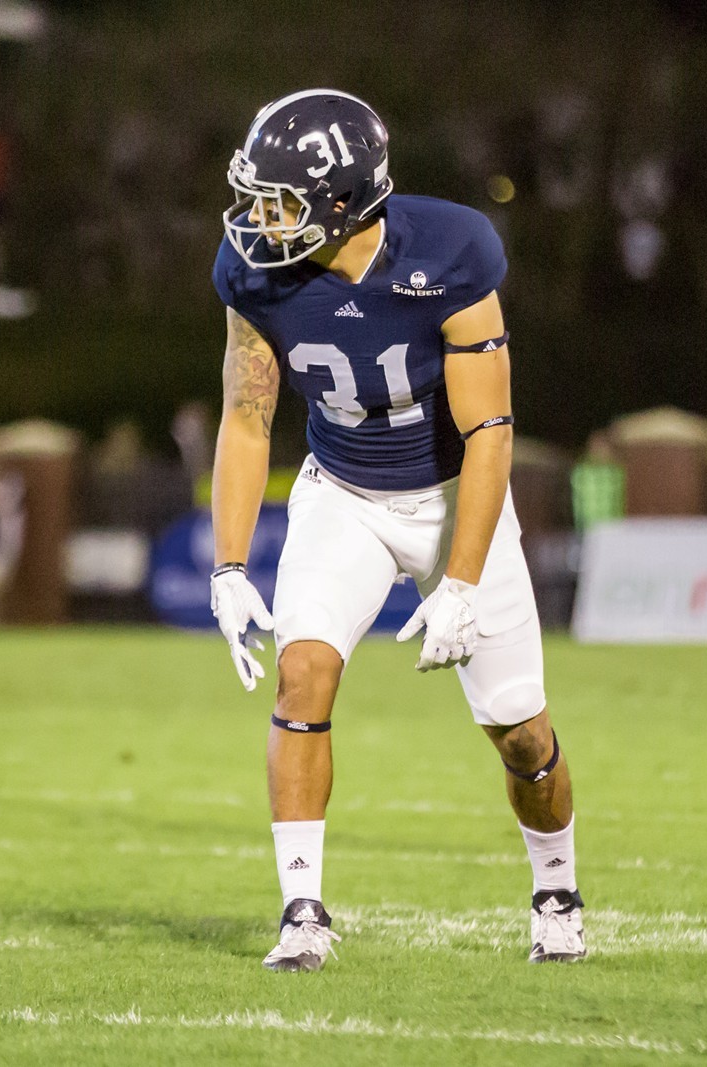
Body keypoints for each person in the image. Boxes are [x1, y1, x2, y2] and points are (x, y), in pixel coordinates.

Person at [210, 90, 585, 971]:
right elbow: (245, 412)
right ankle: (303, 911)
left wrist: (459, 579)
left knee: (518, 726)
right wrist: (230, 563)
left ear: (342, 201)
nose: (259, 219)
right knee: (303, 671)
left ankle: (558, 885)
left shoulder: (450, 253)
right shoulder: (254, 272)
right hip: (341, 490)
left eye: (281, 199)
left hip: (455, 493)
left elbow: (491, 433)